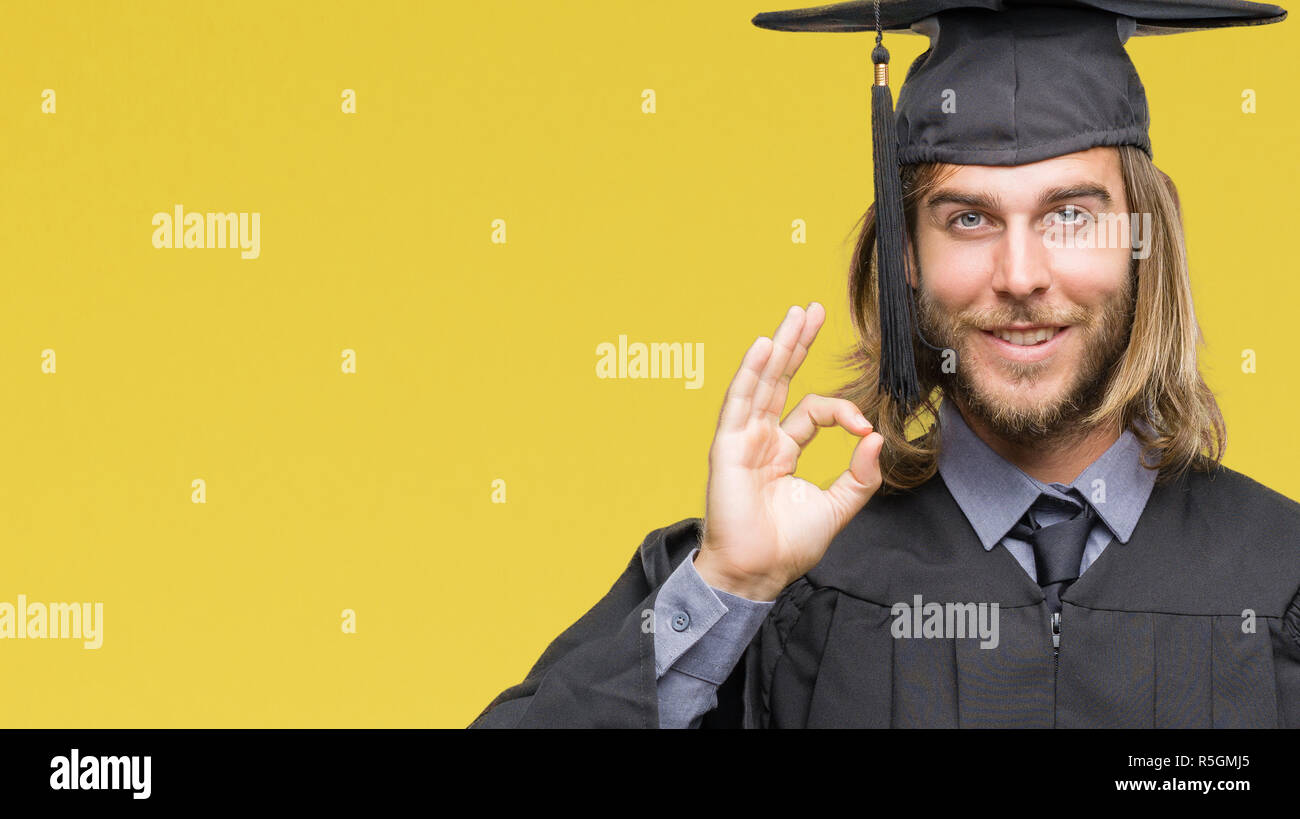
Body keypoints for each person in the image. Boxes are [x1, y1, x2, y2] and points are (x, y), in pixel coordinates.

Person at [470, 0, 1300, 728]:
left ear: (1144, 240)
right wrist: (728, 585)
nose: (1020, 275)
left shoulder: (1281, 578)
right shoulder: (792, 585)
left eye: (1071, 216)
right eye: (969, 219)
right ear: (905, 254)